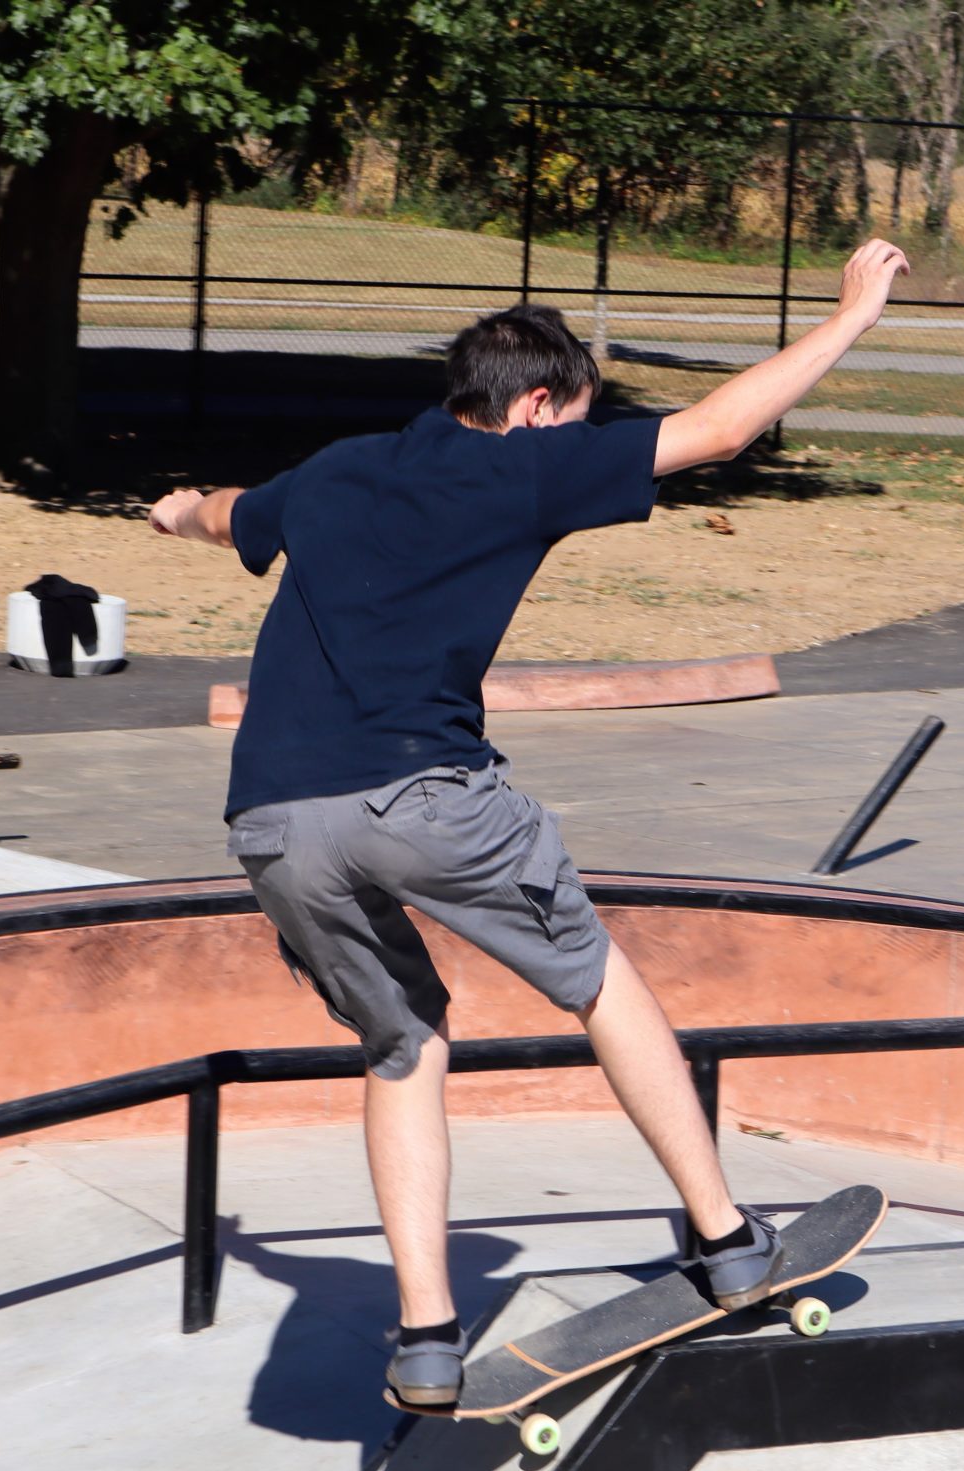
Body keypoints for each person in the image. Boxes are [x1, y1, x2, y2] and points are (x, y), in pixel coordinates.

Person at [146, 239, 912, 1410]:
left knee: (403, 1046)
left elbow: (223, 514)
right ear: (537, 406)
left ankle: (425, 1338)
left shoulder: (340, 469)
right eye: (576, 421)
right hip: (423, 792)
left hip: (273, 820)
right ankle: (725, 1237)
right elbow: (719, 430)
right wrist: (853, 315)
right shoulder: (525, 466)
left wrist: (173, 512)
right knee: (598, 979)